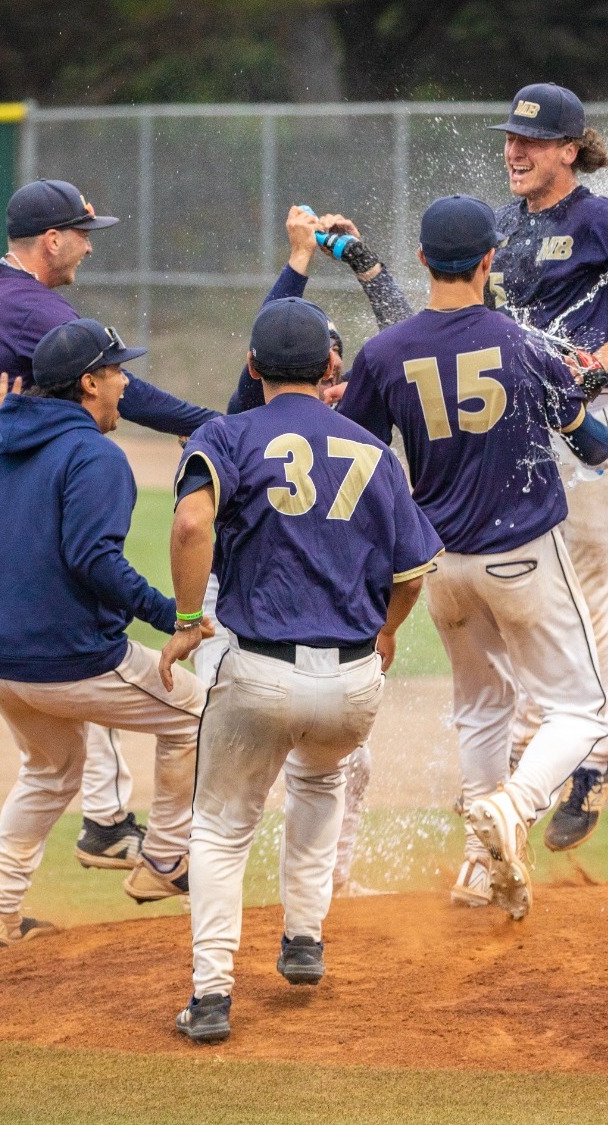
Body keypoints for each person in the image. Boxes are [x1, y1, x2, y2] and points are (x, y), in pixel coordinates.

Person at [0, 179, 219, 877]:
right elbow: (121, 390)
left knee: (39, 642)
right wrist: (209, 423)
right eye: (83, 234)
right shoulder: (34, 306)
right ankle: (106, 822)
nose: (88, 245)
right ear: (50, 240)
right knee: (74, 646)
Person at [161, 297, 442, 1044]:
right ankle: (305, 938)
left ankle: (212, 995)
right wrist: (385, 631)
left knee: (222, 828)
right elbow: (413, 570)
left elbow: (190, 522)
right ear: (330, 367)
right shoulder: (372, 450)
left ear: (252, 366)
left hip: (258, 672)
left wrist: (187, 622)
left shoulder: (227, 434)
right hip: (351, 682)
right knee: (321, 782)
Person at [340, 195, 608, 920]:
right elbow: (595, 446)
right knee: (584, 709)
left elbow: (352, 452)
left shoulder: (385, 353)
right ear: (490, 260)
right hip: (522, 555)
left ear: (423, 259)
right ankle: (515, 806)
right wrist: (596, 417)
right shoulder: (523, 343)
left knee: (481, 704)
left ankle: (476, 864)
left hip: (439, 566)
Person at [0, 319, 205, 947]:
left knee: (51, 772)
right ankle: (165, 859)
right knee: (197, 714)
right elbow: (94, 560)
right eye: (117, 371)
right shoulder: (96, 455)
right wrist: (172, 615)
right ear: (89, 383)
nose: (124, 384)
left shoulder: (7, 442)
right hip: (72, 659)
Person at [489, 83, 608, 851]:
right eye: (511, 138)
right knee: (531, 584)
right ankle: (540, 745)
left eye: (532, 141)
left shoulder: (604, 219)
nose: (515, 151)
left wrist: (595, 364)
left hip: (601, 417)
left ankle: (594, 764)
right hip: (532, 427)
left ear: (568, 150)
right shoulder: (505, 225)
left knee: (602, 591)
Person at [210, 204, 416, 895]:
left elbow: (412, 344)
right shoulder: (254, 414)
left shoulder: (353, 417)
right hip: (242, 611)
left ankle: (332, 883)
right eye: (324, 374)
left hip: (318, 612)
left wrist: (364, 263)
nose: (331, 387)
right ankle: (180, 858)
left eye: (337, 376)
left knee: (347, 767)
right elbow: (266, 337)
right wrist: (299, 260)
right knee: (223, 759)